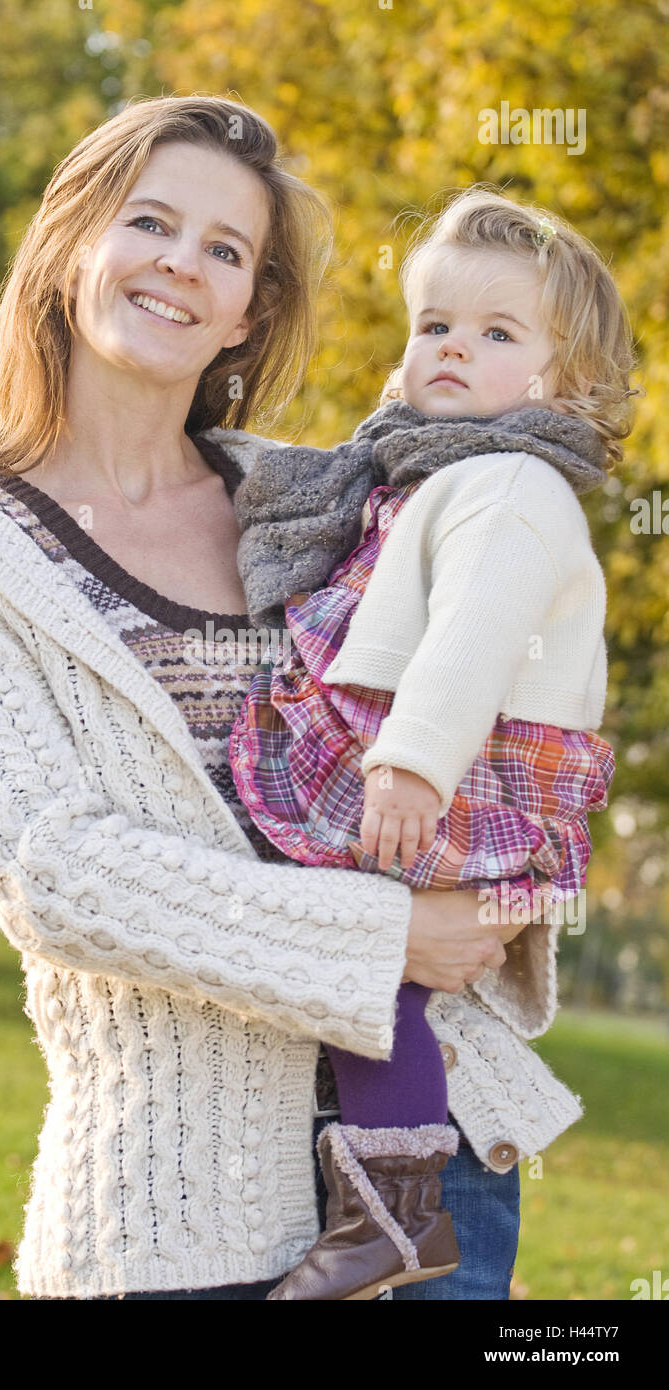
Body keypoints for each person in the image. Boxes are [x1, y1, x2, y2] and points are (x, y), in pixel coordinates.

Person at [0, 98, 574, 1302]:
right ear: (76, 243)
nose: (182, 262)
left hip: (437, 1154)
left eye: (226, 250)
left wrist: (488, 884)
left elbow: (488, 681)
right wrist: (386, 936)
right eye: (151, 222)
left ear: (249, 311)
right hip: (182, 1213)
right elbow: (63, 877)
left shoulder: (322, 501)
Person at [230, 188, 636, 1300]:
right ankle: (392, 1206)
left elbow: (470, 635)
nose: (452, 347)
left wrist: (408, 758)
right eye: (432, 326)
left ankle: (396, 1213)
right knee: (370, 963)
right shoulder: (433, 471)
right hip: (423, 763)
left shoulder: (509, 484)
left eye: (496, 334)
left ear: (564, 386)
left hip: (448, 773)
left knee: (373, 966)